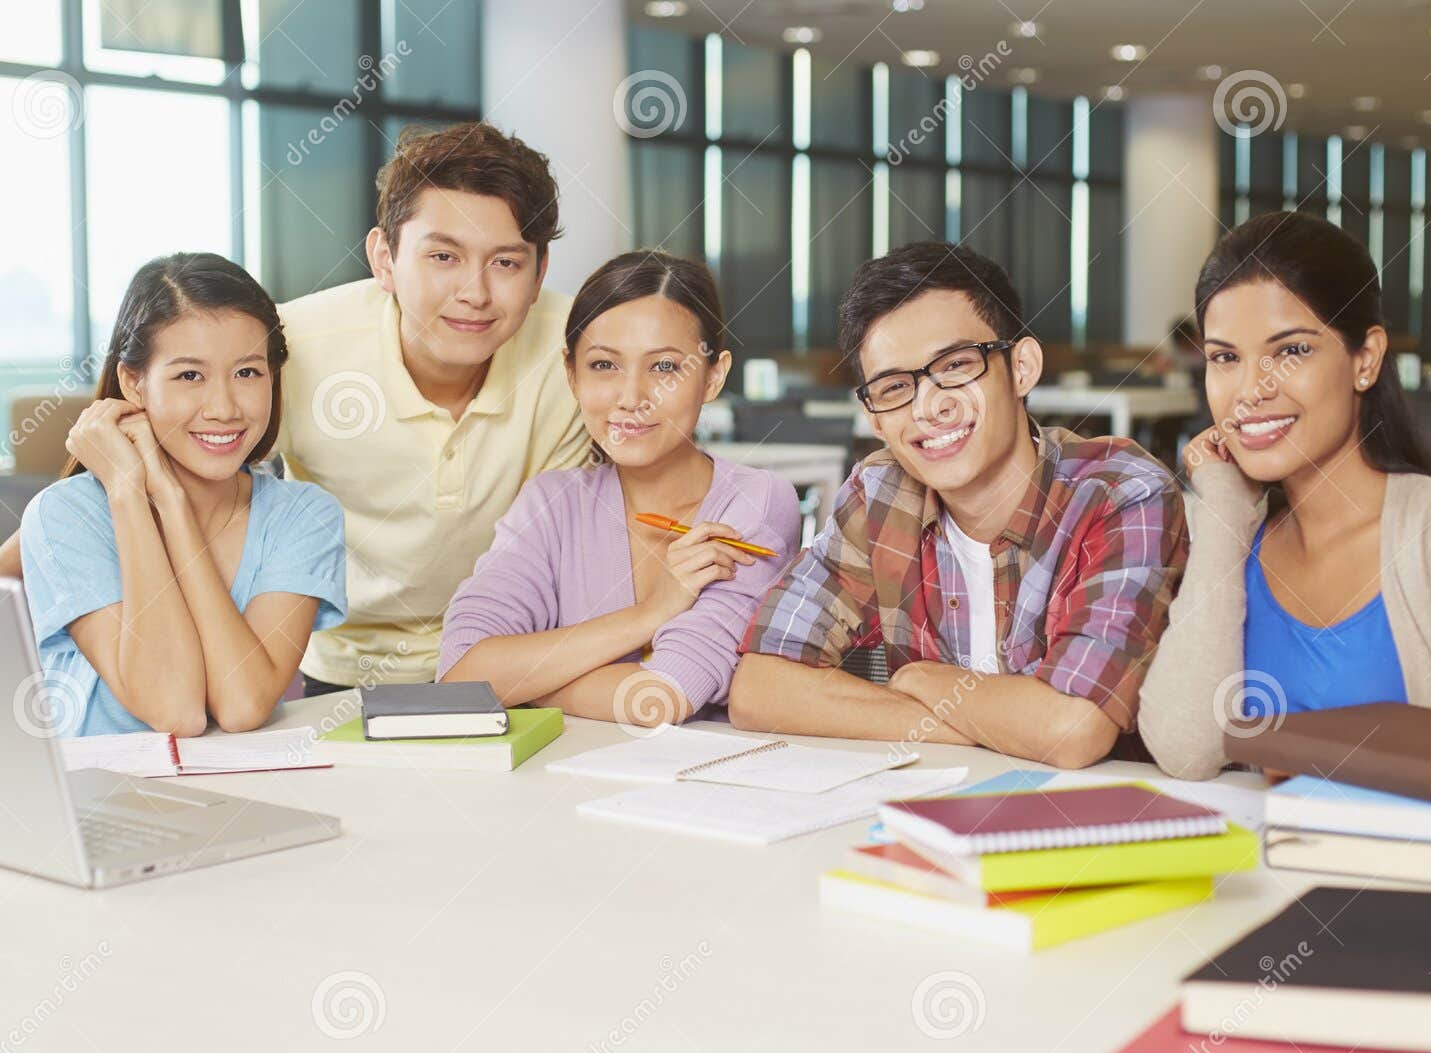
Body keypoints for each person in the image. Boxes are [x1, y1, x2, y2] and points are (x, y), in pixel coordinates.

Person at [0, 123, 589, 698]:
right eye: (443, 257)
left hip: (507, 661)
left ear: (539, 274)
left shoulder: (585, 353)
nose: (475, 292)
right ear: (384, 257)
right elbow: (149, 463)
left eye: (506, 263)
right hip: (337, 668)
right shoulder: (290, 346)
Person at [1137, 210, 1431, 779]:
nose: (1250, 391)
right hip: (1276, 866)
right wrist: (1226, 510)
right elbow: (1188, 752)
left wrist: (1344, 758)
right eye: (1225, 358)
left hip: (1426, 865)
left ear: (1366, 359)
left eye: (1291, 351)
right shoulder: (1234, 538)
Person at [729, 242, 1188, 769]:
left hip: (1098, 824)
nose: (929, 405)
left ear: (1022, 367)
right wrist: (996, 726)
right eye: (895, 386)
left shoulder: (1119, 494)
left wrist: (920, 679)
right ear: (876, 420)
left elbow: (1072, 728)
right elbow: (760, 687)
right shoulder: (880, 493)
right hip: (934, 809)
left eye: (955, 365)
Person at [436, 251, 800, 725]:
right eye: (604, 366)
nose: (631, 397)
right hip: (552, 787)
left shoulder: (757, 501)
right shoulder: (550, 503)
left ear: (714, 375)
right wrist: (652, 613)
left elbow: (660, 700)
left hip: (697, 788)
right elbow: (460, 679)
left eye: (666, 368)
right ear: (572, 375)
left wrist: (520, 686)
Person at [19, 254, 345, 738]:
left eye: (248, 373)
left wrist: (171, 504)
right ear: (134, 383)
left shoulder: (304, 516)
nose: (224, 408)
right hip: (97, 799)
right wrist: (130, 494)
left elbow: (242, 704)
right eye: (190, 376)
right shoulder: (66, 516)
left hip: (243, 799)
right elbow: (175, 710)